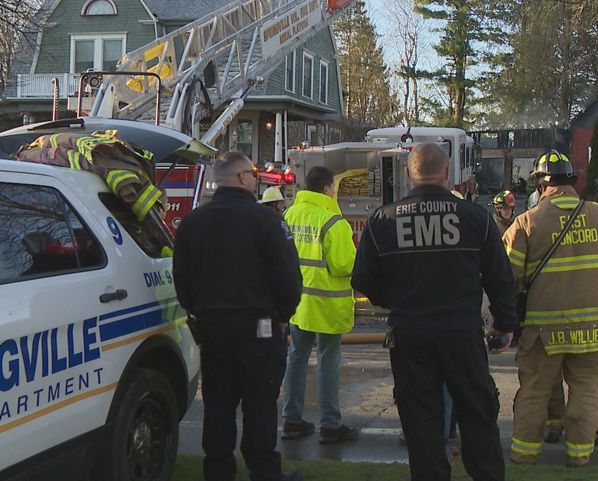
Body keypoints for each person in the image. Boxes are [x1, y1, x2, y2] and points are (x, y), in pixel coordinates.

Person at [352, 143, 516, 481]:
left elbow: (364, 280)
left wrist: (395, 299)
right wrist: (504, 323)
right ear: (446, 174)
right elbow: (501, 278)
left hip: (410, 336)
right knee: (478, 416)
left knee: (422, 424)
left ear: (409, 174)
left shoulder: (382, 220)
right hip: (462, 334)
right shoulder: (476, 218)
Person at [173, 151, 302, 481]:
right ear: (242, 178)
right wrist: (283, 316)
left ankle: (217, 471)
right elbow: (288, 277)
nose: (257, 179)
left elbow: (181, 278)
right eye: (254, 174)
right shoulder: (267, 221)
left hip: (212, 329)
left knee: (218, 405)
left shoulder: (193, 222)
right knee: (259, 406)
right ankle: (264, 472)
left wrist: (198, 312)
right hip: (259, 327)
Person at [503, 150, 598, 468]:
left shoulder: (526, 222)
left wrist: (506, 317)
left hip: (543, 332)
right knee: (587, 391)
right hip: (596, 329)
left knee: (534, 392)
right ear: (570, 181)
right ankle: (578, 457)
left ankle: (524, 456)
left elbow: (507, 278)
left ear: (540, 184)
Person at [281, 166, 360, 444]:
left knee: (296, 359)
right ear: (328, 189)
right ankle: (330, 424)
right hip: (327, 304)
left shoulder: (290, 214)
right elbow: (344, 265)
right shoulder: (334, 222)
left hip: (297, 303)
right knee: (328, 362)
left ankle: (291, 420)